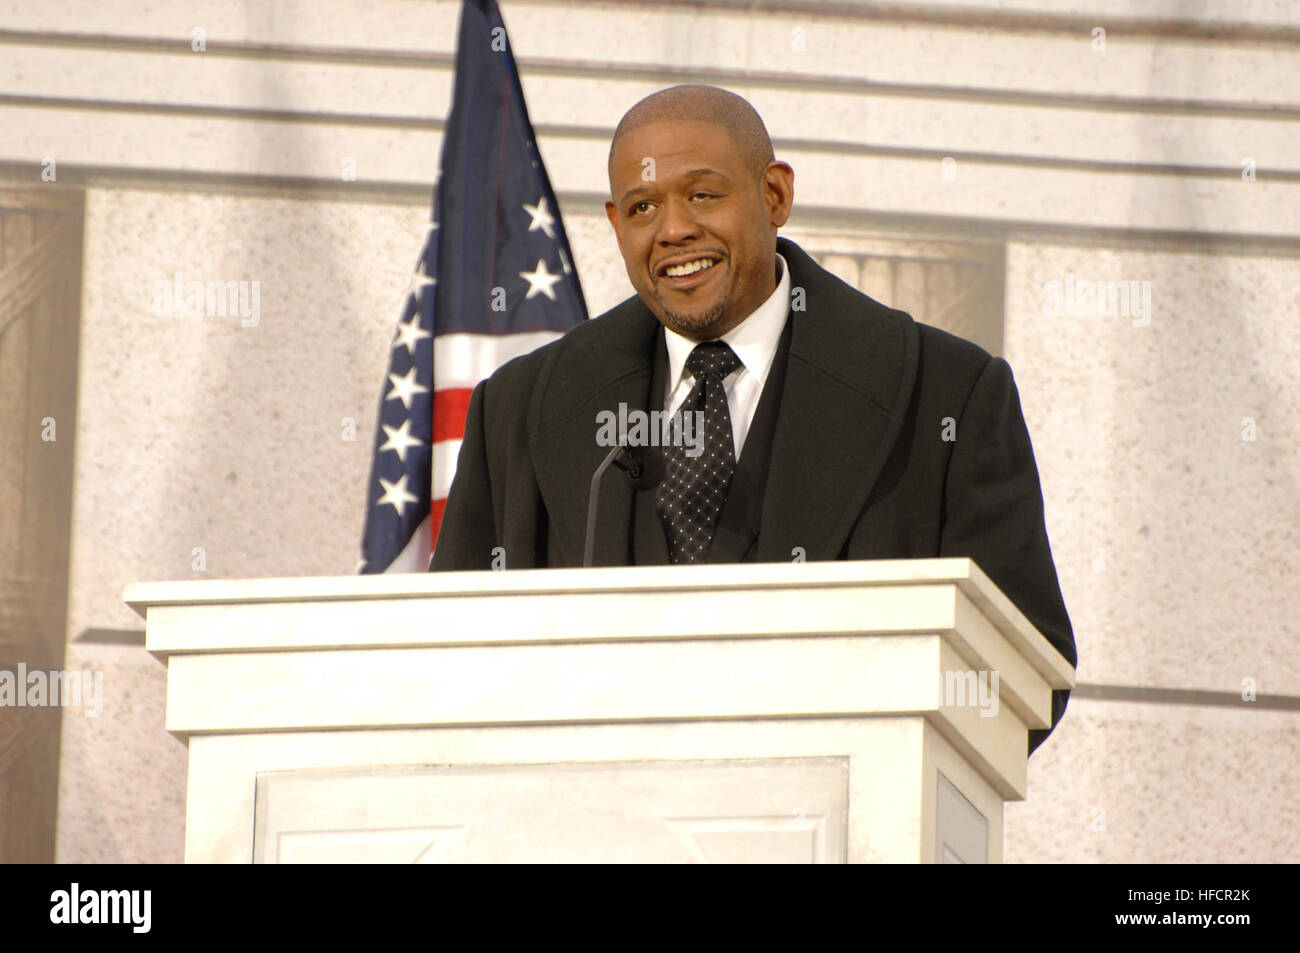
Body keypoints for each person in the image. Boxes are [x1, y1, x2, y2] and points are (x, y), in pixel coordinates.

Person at [430, 85, 1076, 753]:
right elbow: (446, 663)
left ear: (775, 196)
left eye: (703, 194)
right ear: (616, 225)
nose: (673, 228)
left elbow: (1020, 669)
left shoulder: (949, 395)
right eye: (643, 206)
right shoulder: (519, 408)